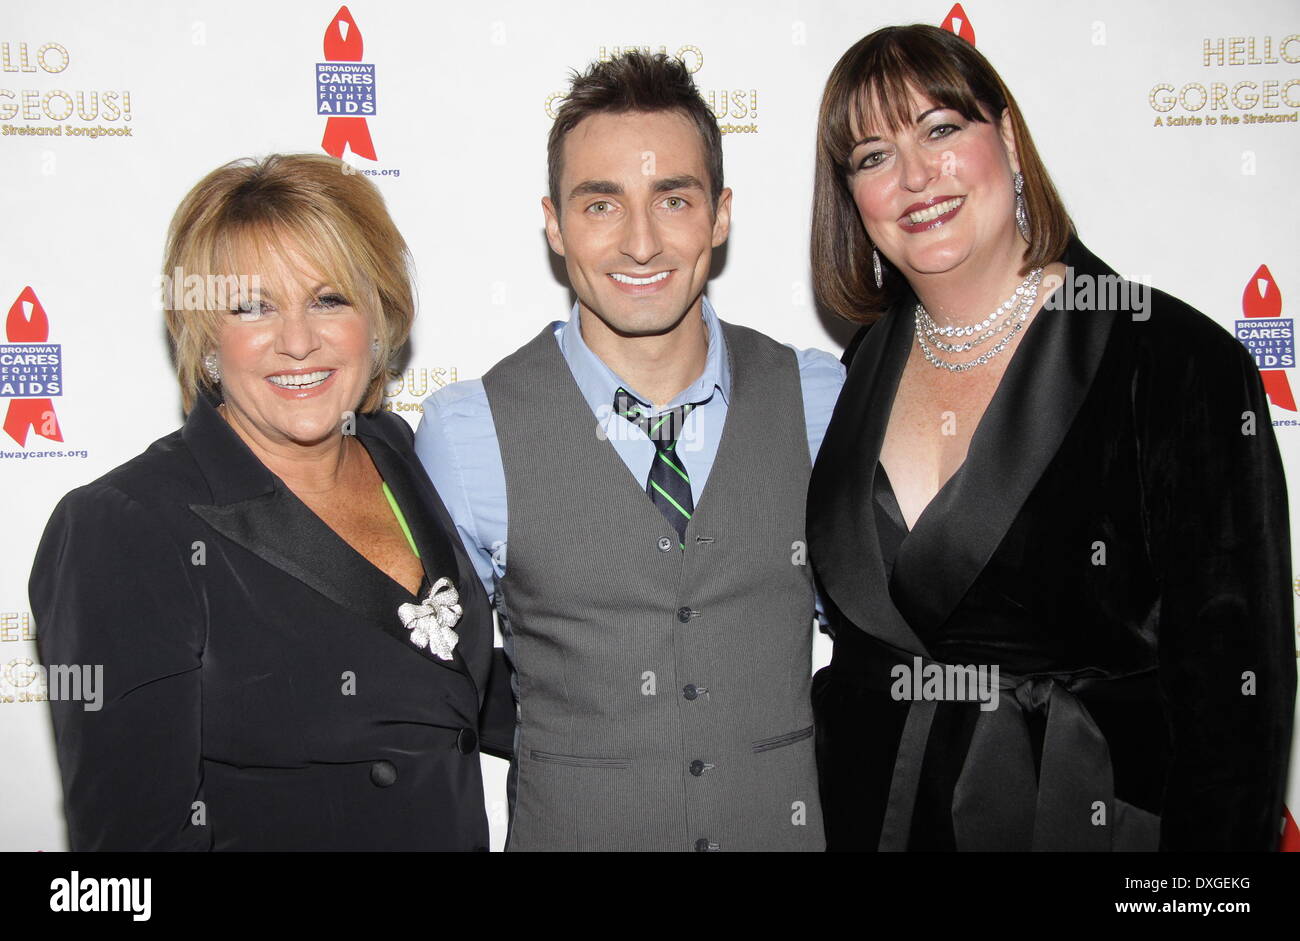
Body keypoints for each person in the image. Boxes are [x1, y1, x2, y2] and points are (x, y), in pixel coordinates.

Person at [806, 24, 1295, 852]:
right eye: (873, 156)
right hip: (877, 820)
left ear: (1009, 138)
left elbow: (1236, 703)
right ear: (854, 198)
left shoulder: (1171, 359)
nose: (916, 176)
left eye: (940, 129)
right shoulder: (858, 369)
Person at [416, 51, 845, 851]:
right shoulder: (467, 432)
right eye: (602, 204)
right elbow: (437, 694)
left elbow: (876, 645)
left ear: (719, 215)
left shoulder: (818, 399)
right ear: (554, 223)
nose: (641, 244)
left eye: (673, 199)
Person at [29, 153, 511, 851]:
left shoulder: (398, 452)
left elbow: (432, 683)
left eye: (329, 297)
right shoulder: (125, 527)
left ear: (377, 319)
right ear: (205, 336)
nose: (296, 340)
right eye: (252, 305)